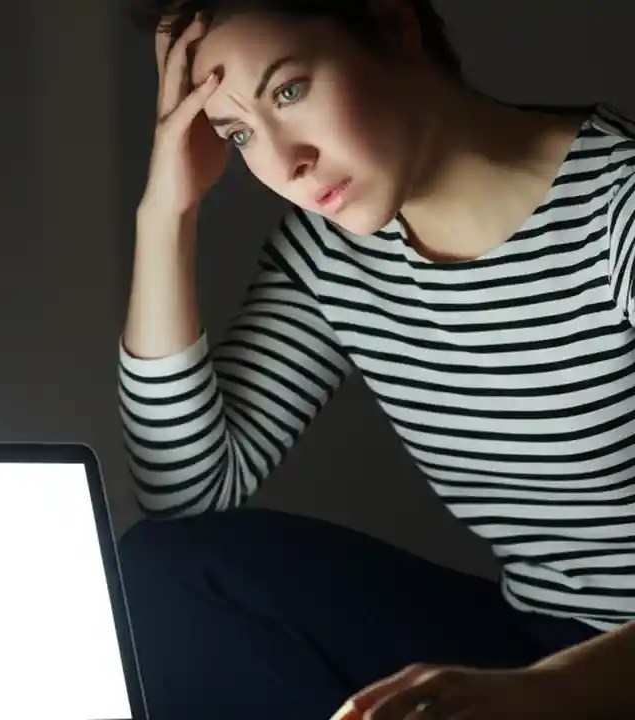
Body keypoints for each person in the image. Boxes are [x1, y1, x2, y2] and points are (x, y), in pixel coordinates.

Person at [114, 0, 635, 718]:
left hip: (602, 668)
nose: (283, 161)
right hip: (533, 642)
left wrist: (549, 693)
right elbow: (187, 494)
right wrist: (167, 211)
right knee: (170, 571)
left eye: (289, 92)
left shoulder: (618, 214)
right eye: (237, 134)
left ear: (393, 26)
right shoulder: (335, 253)